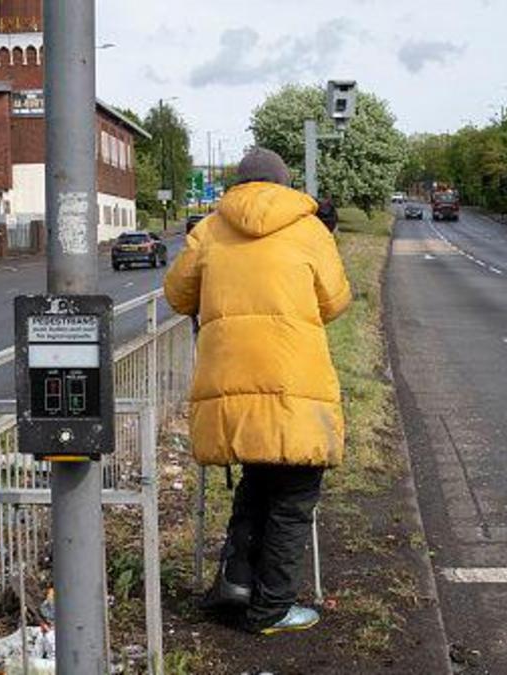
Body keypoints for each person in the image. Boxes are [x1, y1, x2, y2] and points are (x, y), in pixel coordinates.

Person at [164, 147, 352, 634]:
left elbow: (177, 296)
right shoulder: (309, 230)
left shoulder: (209, 229)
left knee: (255, 483)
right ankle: (272, 609)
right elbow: (335, 302)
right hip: (295, 388)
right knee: (293, 498)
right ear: (285, 184)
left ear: (238, 185)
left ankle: (237, 583)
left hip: (229, 390)